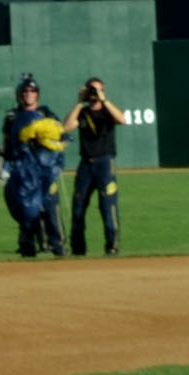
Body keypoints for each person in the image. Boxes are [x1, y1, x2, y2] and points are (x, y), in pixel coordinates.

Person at [0, 75, 67, 257]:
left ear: (38, 94)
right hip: (23, 172)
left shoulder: (46, 114)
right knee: (26, 214)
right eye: (25, 91)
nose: (29, 94)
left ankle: (59, 247)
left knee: (52, 210)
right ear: (19, 94)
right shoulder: (12, 117)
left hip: (44, 170)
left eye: (32, 91)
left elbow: (61, 136)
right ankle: (28, 249)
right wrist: (5, 164)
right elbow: (8, 145)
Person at [66, 76, 123, 256]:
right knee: (78, 207)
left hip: (105, 163)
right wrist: (79, 103)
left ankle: (112, 246)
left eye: (97, 90)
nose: (94, 94)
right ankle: (78, 249)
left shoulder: (107, 113)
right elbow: (66, 127)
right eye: (92, 90)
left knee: (108, 207)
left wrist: (104, 100)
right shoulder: (83, 113)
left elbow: (122, 119)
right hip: (86, 164)